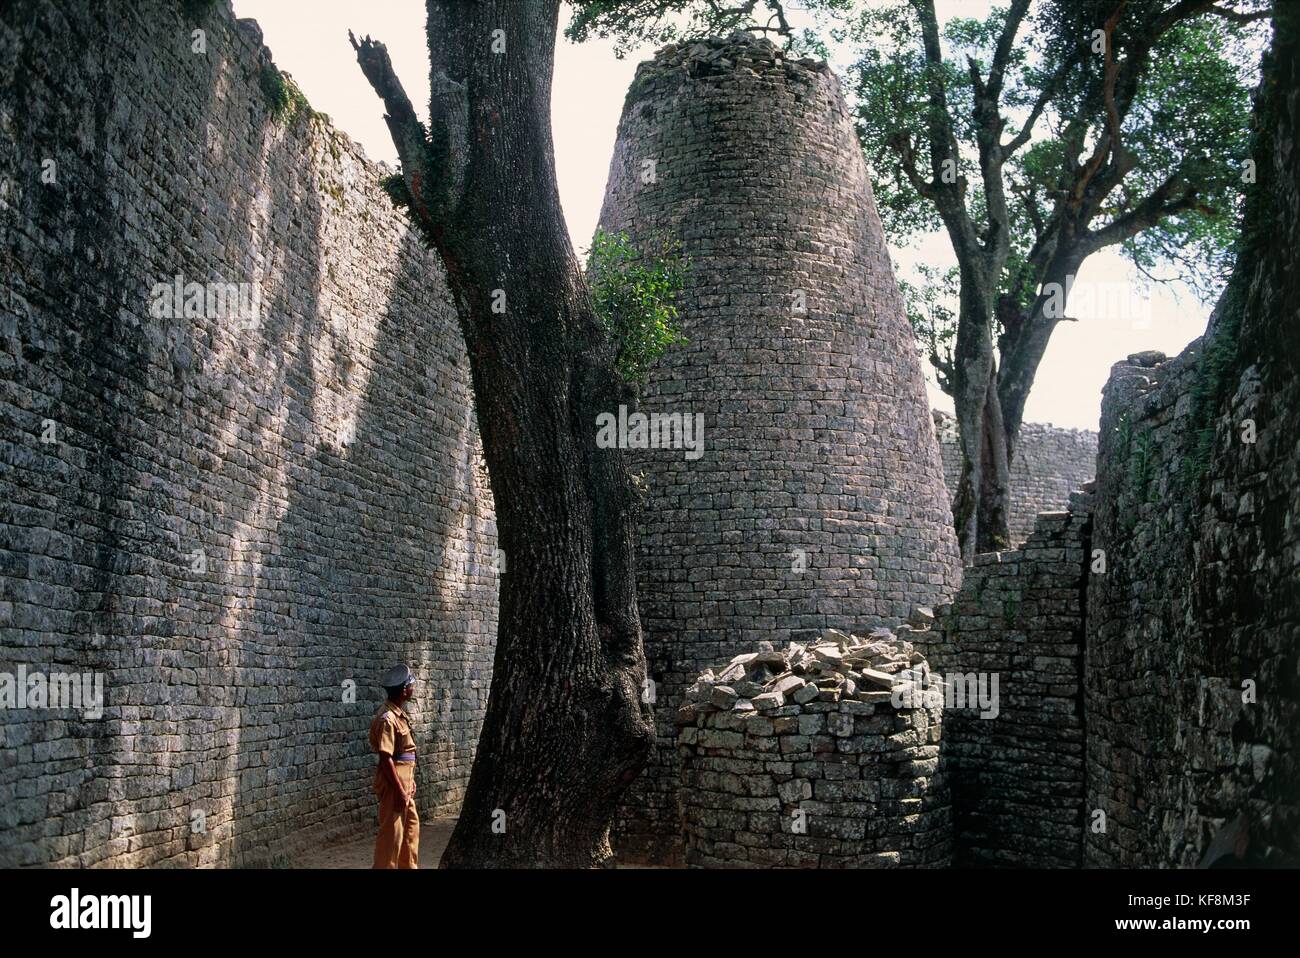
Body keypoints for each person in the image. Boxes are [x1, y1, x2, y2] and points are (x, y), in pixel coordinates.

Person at [369, 664, 419, 868]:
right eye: (412, 685)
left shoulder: (399, 714)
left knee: (410, 833)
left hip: (404, 784)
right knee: (391, 838)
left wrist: (410, 782)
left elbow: (404, 754)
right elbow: (386, 758)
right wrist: (399, 790)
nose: (414, 688)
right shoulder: (387, 719)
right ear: (405, 690)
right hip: (394, 786)